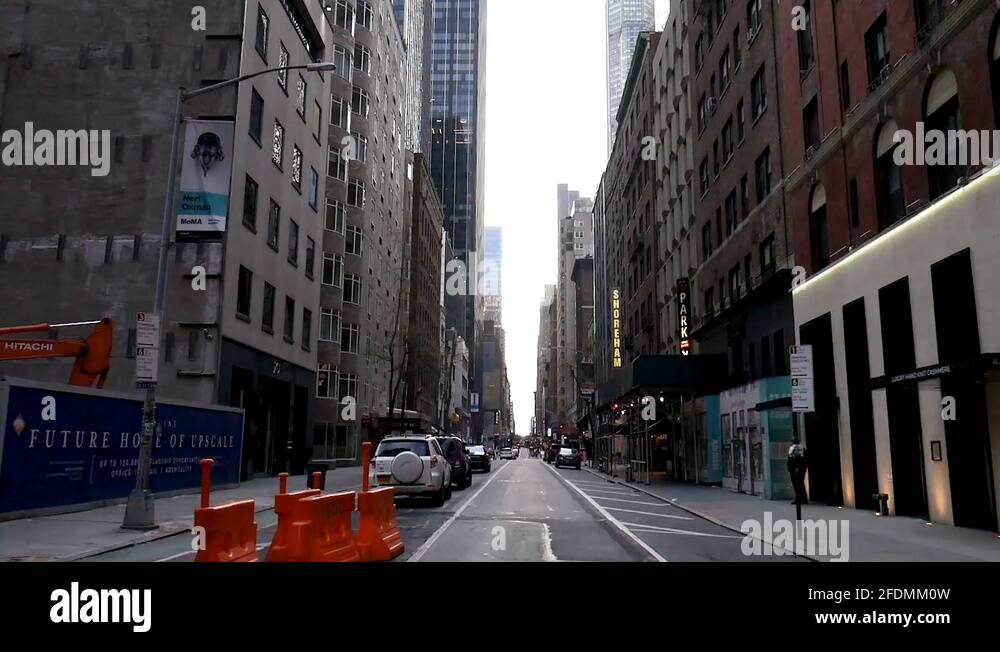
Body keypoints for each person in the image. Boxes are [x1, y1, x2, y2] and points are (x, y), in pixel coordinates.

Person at [787, 438, 808, 505]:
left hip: (796, 469)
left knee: (797, 484)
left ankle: (800, 498)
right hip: (798, 469)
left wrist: (796, 468)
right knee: (800, 484)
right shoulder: (801, 448)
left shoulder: (796, 449)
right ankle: (803, 498)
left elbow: (796, 459)